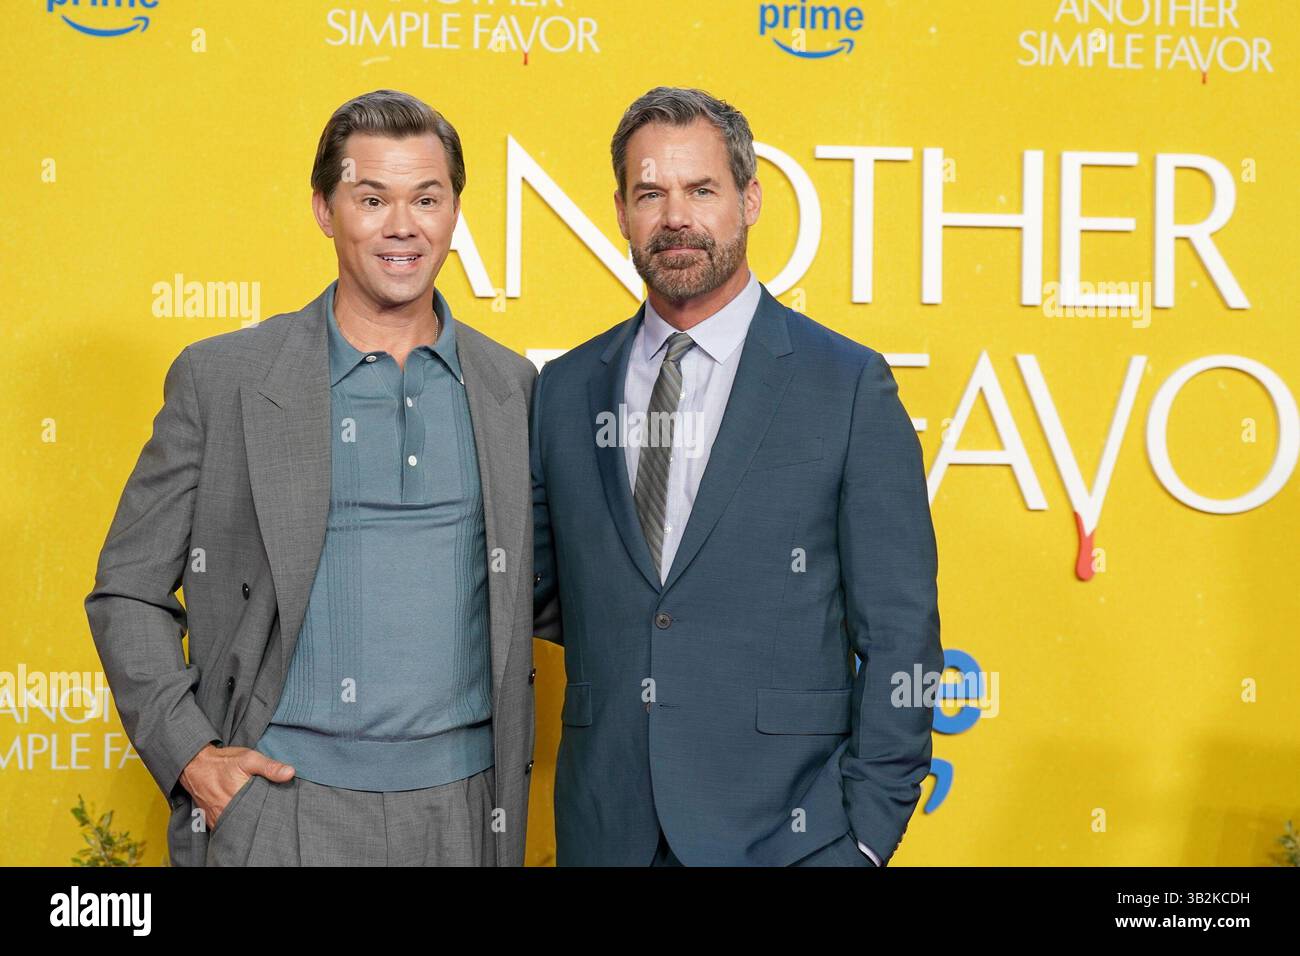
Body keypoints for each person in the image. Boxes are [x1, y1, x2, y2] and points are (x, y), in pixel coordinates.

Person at [86, 89, 538, 866]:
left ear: (456, 212)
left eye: (427, 198)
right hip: (281, 810)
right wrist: (191, 753)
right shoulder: (223, 380)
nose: (404, 226)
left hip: (465, 813)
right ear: (325, 211)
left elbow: (562, 586)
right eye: (372, 198)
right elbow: (127, 589)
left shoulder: (512, 389)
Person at [531, 86, 943, 866]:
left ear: (749, 199)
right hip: (605, 828)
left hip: (789, 836)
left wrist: (865, 835)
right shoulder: (565, 387)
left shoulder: (846, 385)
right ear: (620, 211)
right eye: (651, 192)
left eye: (702, 189)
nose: (676, 216)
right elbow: (555, 588)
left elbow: (901, 635)